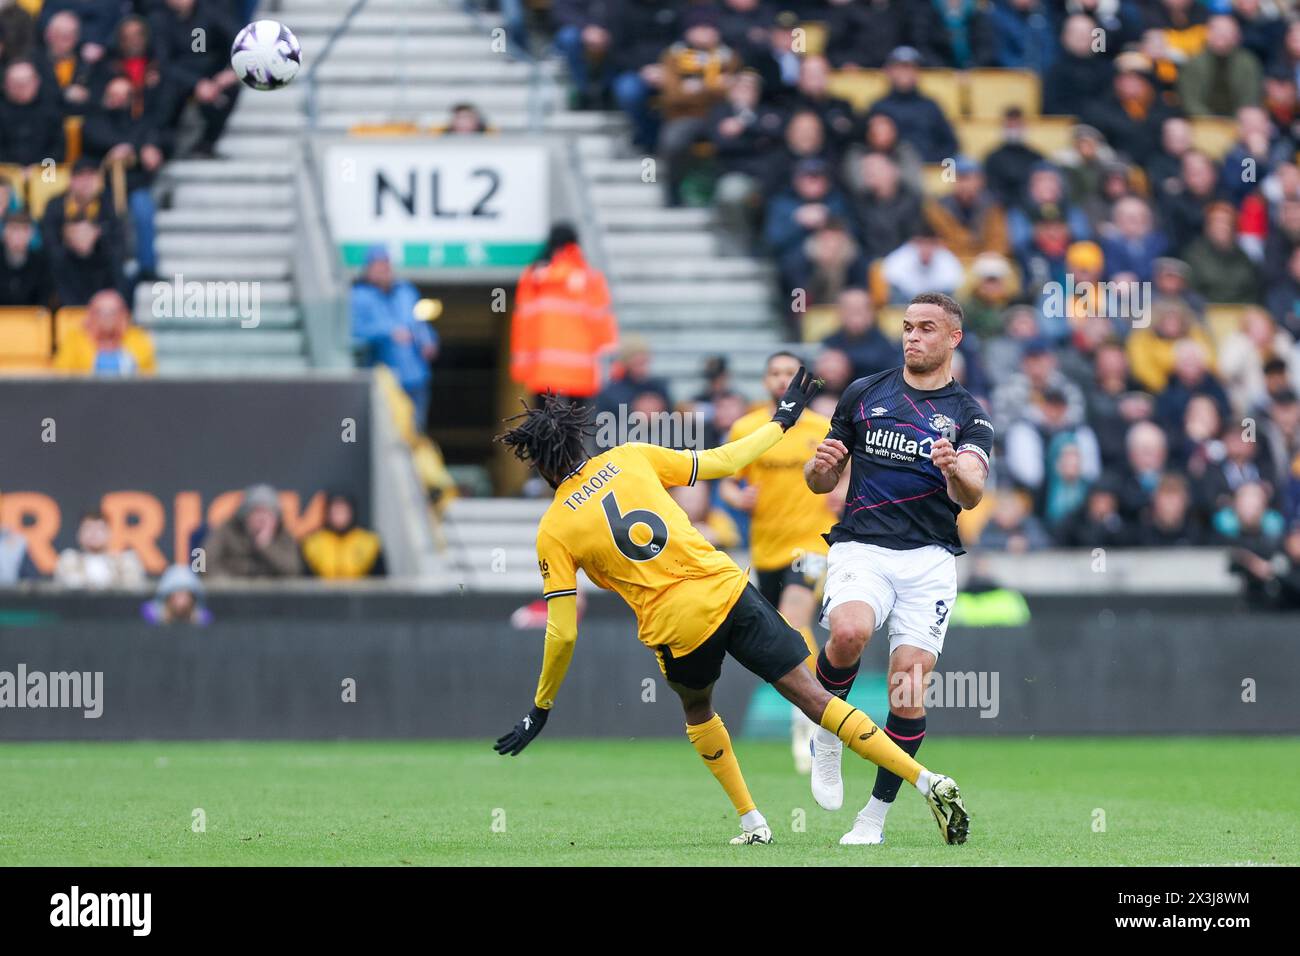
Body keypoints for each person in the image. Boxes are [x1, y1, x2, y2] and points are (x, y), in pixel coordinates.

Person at [492, 383, 970, 847]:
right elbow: (723, 461)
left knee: (698, 709)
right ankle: (926, 780)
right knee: (812, 698)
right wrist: (781, 421)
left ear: (537, 465)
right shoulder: (629, 457)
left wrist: (542, 707)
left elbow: (563, 632)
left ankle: (753, 821)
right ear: (579, 440)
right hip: (729, 589)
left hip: (677, 627)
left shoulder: (554, 528)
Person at [802, 291, 993, 845]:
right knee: (850, 631)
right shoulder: (865, 393)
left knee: (908, 687)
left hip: (930, 560)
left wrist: (954, 470)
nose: (913, 336)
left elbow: (973, 494)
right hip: (863, 546)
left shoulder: (968, 416)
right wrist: (822, 469)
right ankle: (828, 733)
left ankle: (874, 818)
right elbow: (819, 482)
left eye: (927, 328)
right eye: (908, 327)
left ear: (953, 338)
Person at [718, 352, 842, 773]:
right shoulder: (748, 427)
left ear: (804, 380)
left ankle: (807, 715)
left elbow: (846, 475)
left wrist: (843, 492)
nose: (782, 379)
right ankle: (809, 698)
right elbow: (729, 484)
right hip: (765, 550)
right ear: (765, 380)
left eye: (791, 373)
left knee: (794, 617)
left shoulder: (822, 428)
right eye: (775, 373)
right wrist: (740, 498)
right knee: (777, 632)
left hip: (811, 544)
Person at [510, 222, 617, 406]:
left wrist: (521, 366)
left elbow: (522, 323)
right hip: (580, 369)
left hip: (542, 368)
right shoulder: (590, 278)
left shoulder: (533, 277)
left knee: (543, 426)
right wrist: (609, 359)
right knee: (575, 427)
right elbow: (601, 323)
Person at [351, 245, 437, 430]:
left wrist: (429, 341)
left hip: (415, 377)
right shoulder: (358, 296)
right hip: (384, 380)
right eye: (379, 265)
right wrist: (388, 332)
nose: (384, 269)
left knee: (415, 432)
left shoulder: (406, 291)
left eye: (386, 264)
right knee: (388, 433)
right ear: (369, 268)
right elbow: (355, 332)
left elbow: (419, 323)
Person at [204, 484, 303, 579]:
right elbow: (201, 562)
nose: (262, 519)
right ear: (244, 515)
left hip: (271, 595)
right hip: (230, 592)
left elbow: (293, 570)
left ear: (276, 519)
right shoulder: (227, 530)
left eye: (268, 514)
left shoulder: (282, 535)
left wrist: (266, 546)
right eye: (257, 512)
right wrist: (224, 581)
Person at [53, 288, 155, 375]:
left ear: (124, 314)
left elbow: (148, 377)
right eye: (101, 312)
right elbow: (62, 378)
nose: (107, 318)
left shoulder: (138, 338)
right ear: (91, 315)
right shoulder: (74, 340)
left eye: (113, 312)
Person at [300, 492, 385, 579]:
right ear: (327, 514)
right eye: (335, 512)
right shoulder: (313, 543)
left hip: (361, 592)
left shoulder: (368, 541)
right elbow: (306, 580)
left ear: (352, 512)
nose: (340, 517)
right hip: (322, 592)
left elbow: (380, 580)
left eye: (343, 511)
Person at [53, 511, 146, 589]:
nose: (94, 534)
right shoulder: (69, 560)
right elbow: (66, 583)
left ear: (109, 533)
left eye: (99, 529)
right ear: (79, 534)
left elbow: (133, 585)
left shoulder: (125, 560)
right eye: (88, 529)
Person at [140, 564, 212, 625]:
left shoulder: (202, 618)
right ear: (167, 596)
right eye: (177, 593)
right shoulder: (151, 614)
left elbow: (206, 617)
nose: (181, 599)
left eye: (186, 594)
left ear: (193, 598)